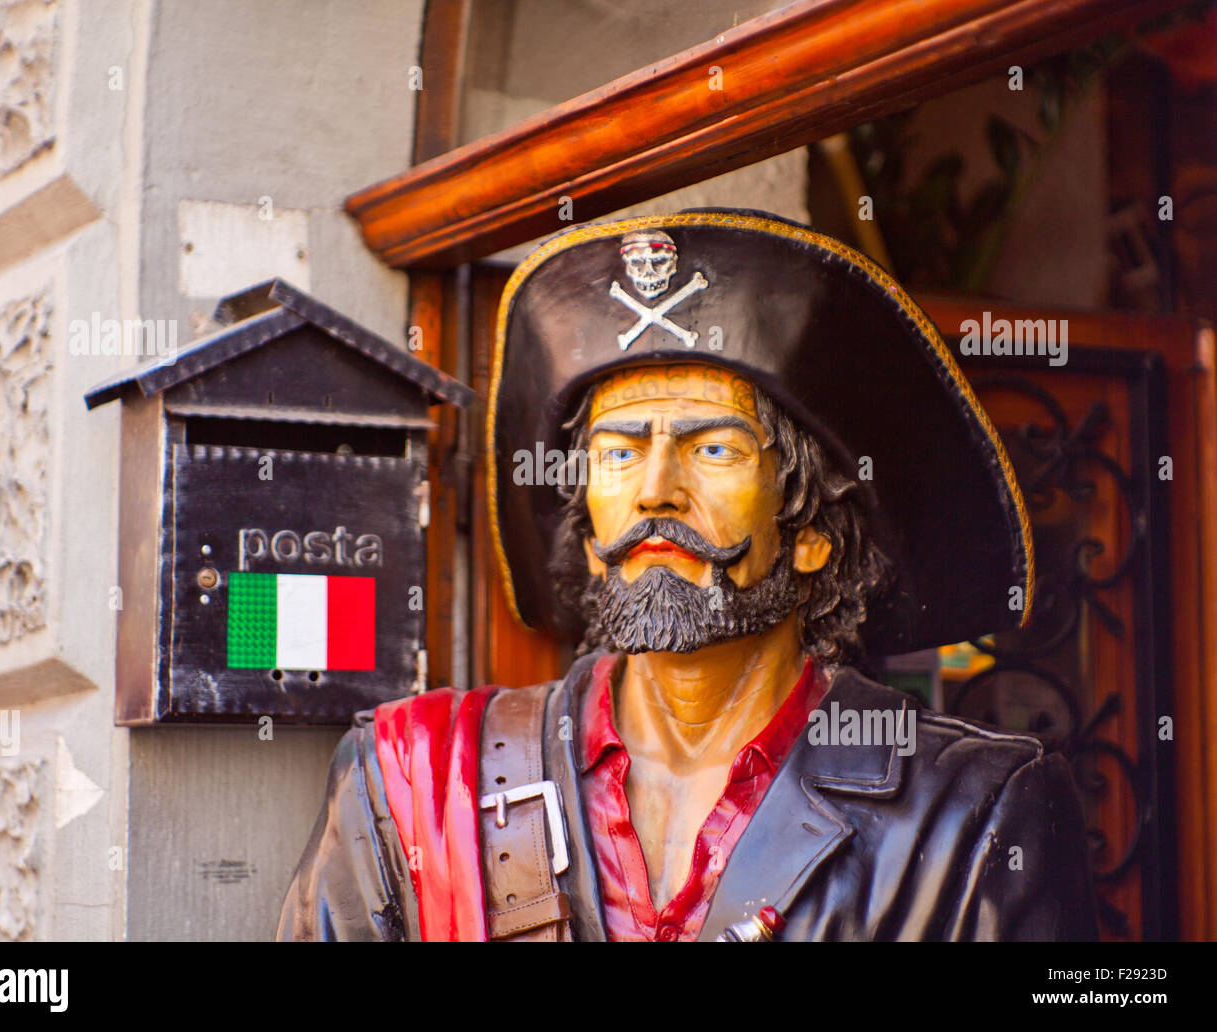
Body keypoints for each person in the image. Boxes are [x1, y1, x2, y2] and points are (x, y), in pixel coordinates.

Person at [276, 208, 1098, 941]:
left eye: (714, 449)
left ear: (811, 532)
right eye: (618, 452)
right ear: (589, 530)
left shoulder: (972, 815)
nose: (654, 491)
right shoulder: (409, 779)